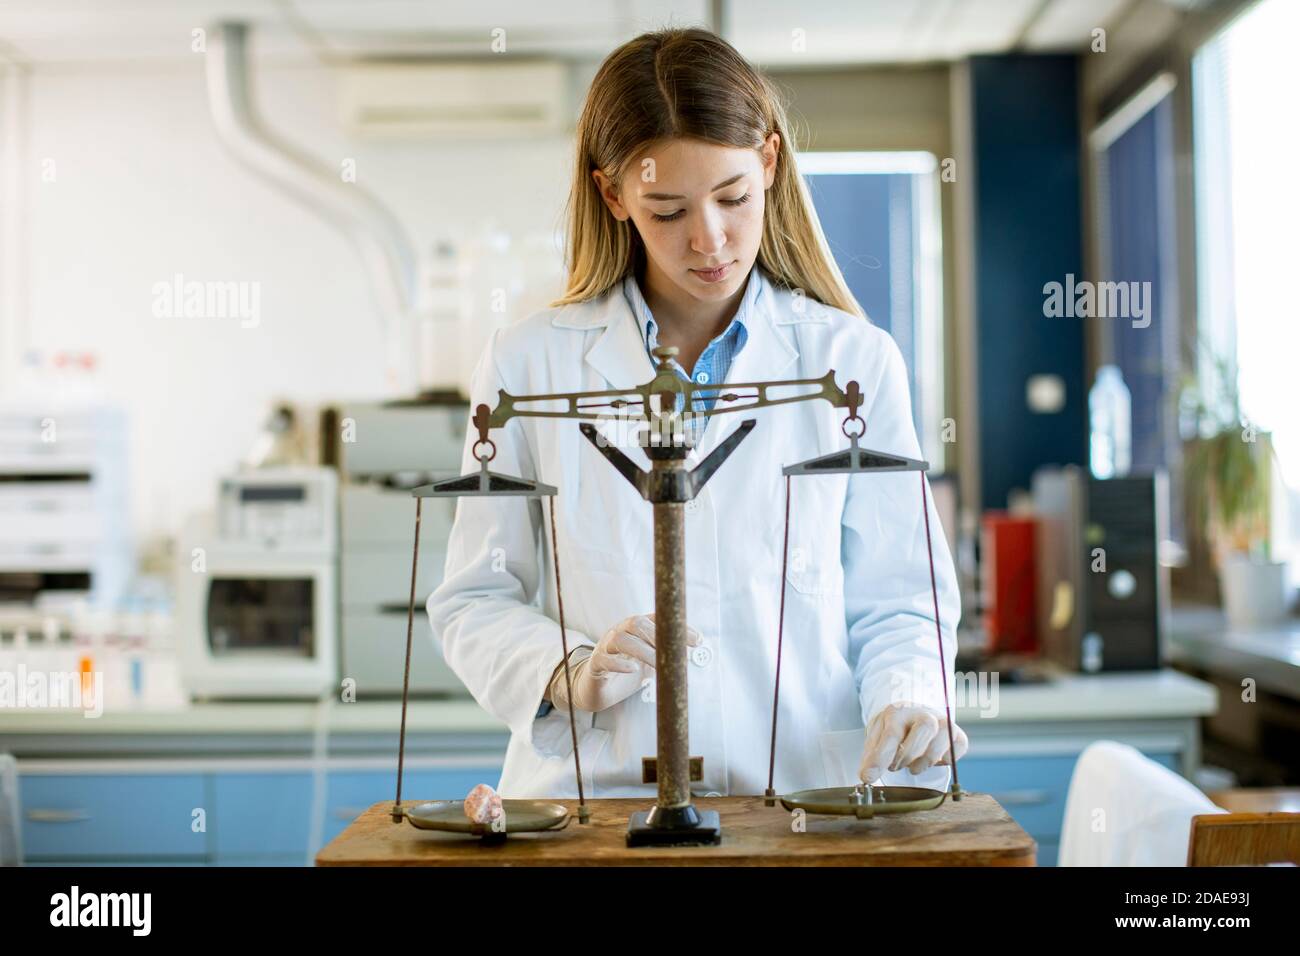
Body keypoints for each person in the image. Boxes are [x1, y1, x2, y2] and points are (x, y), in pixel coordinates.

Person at [427, 27, 967, 799]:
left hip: (795, 808)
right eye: (668, 208)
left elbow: (901, 595)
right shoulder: (527, 367)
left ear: (771, 163)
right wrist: (565, 671)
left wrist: (909, 698)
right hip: (600, 809)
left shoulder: (853, 363)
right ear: (614, 194)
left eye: (734, 197)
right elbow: (475, 596)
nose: (709, 240)